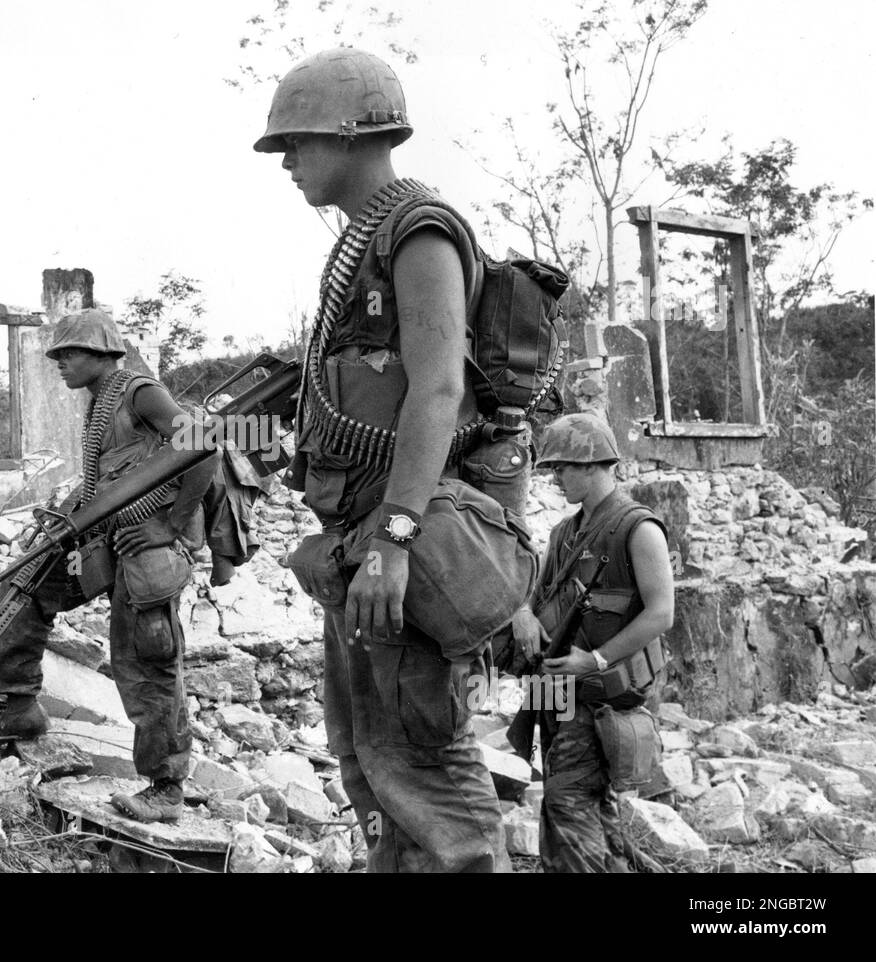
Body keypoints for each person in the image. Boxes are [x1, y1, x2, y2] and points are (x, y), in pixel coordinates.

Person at [254, 48, 525, 872]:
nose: (289, 162)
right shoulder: (363, 243)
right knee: (369, 765)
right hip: (361, 551)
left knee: (428, 776)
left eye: (296, 143)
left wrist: (396, 538)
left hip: (394, 548)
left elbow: (438, 392)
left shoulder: (420, 230)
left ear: (349, 134)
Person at [0, 309, 219, 823]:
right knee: (29, 582)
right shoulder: (98, 403)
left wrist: (170, 526)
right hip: (105, 537)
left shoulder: (139, 392)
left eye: (71, 353)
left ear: (103, 354)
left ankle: (165, 788)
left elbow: (203, 449)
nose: (61, 363)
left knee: (146, 657)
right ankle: (20, 709)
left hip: (147, 546)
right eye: (58, 355)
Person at [510, 412, 675, 872]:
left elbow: (662, 613)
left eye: (561, 468)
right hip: (557, 697)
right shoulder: (565, 533)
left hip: (604, 700)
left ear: (590, 464)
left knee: (567, 807)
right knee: (589, 811)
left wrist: (596, 659)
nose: (556, 478)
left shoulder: (638, 528)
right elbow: (535, 593)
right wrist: (523, 615)